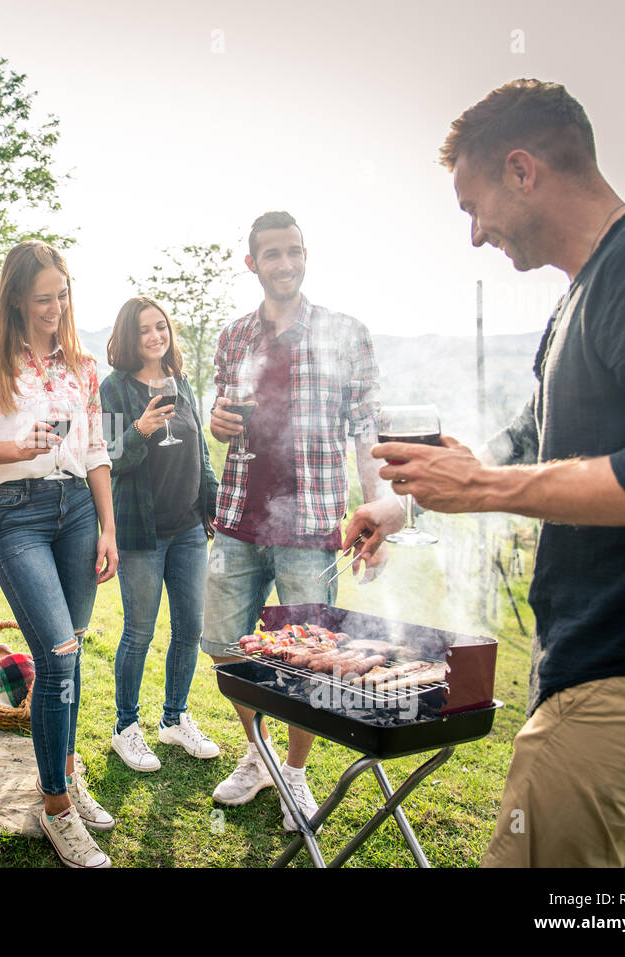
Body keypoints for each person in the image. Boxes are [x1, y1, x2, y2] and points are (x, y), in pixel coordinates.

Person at [345, 78, 625, 867]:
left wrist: (482, 490)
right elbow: (531, 439)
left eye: (473, 207)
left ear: (523, 170)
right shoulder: (583, 295)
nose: (476, 235)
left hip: (624, 676)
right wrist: (412, 503)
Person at [204, 211, 402, 829]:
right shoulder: (234, 336)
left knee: (306, 658)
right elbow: (221, 412)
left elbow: (367, 429)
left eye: (294, 252)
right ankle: (257, 754)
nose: (285, 264)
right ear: (252, 263)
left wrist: (377, 511)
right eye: (272, 255)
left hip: (312, 524)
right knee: (228, 651)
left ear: (306, 255)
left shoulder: (347, 333)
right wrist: (216, 421)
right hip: (237, 516)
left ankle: (293, 773)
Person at [0, 239, 118, 869]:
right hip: (17, 514)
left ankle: (67, 778)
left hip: (78, 510)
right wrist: (17, 449)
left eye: (63, 294)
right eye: (43, 297)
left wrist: (108, 527)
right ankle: (56, 811)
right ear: (17, 297)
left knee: (69, 658)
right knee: (56, 653)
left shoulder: (82, 365)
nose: (55, 307)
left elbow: (98, 450)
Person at [99, 296, 220, 771]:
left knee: (190, 628)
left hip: (189, 528)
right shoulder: (113, 388)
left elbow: (202, 454)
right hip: (141, 533)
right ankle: (125, 727)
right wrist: (142, 430)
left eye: (161, 327)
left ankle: (174, 719)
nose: (155, 336)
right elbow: (106, 459)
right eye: (144, 330)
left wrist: (210, 505)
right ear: (130, 337)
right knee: (139, 632)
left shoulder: (181, 382)